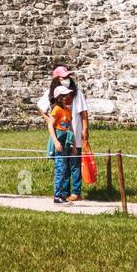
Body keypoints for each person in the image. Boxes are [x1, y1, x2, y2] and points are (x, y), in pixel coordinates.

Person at [37, 64, 89, 203]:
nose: (67, 79)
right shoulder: (53, 95)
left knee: (74, 165)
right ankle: (62, 192)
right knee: (62, 166)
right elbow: (41, 106)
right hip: (61, 137)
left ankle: (76, 192)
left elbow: (83, 113)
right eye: (63, 77)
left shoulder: (76, 94)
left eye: (68, 77)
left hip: (74, 136)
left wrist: (85, 129)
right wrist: (49, 120)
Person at [44, 84, 80, 204]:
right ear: (59, 97)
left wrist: (74, 145)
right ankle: (57, 196)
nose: (67, 97)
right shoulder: (57, 109)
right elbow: (50, 125)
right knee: (60, 168)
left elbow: (70, 128)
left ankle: (63, 194)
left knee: (65, 168)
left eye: (67, 95)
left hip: (67, 141)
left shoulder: (67, 110)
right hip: (59, 140)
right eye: (64, 95)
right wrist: (56, 142)